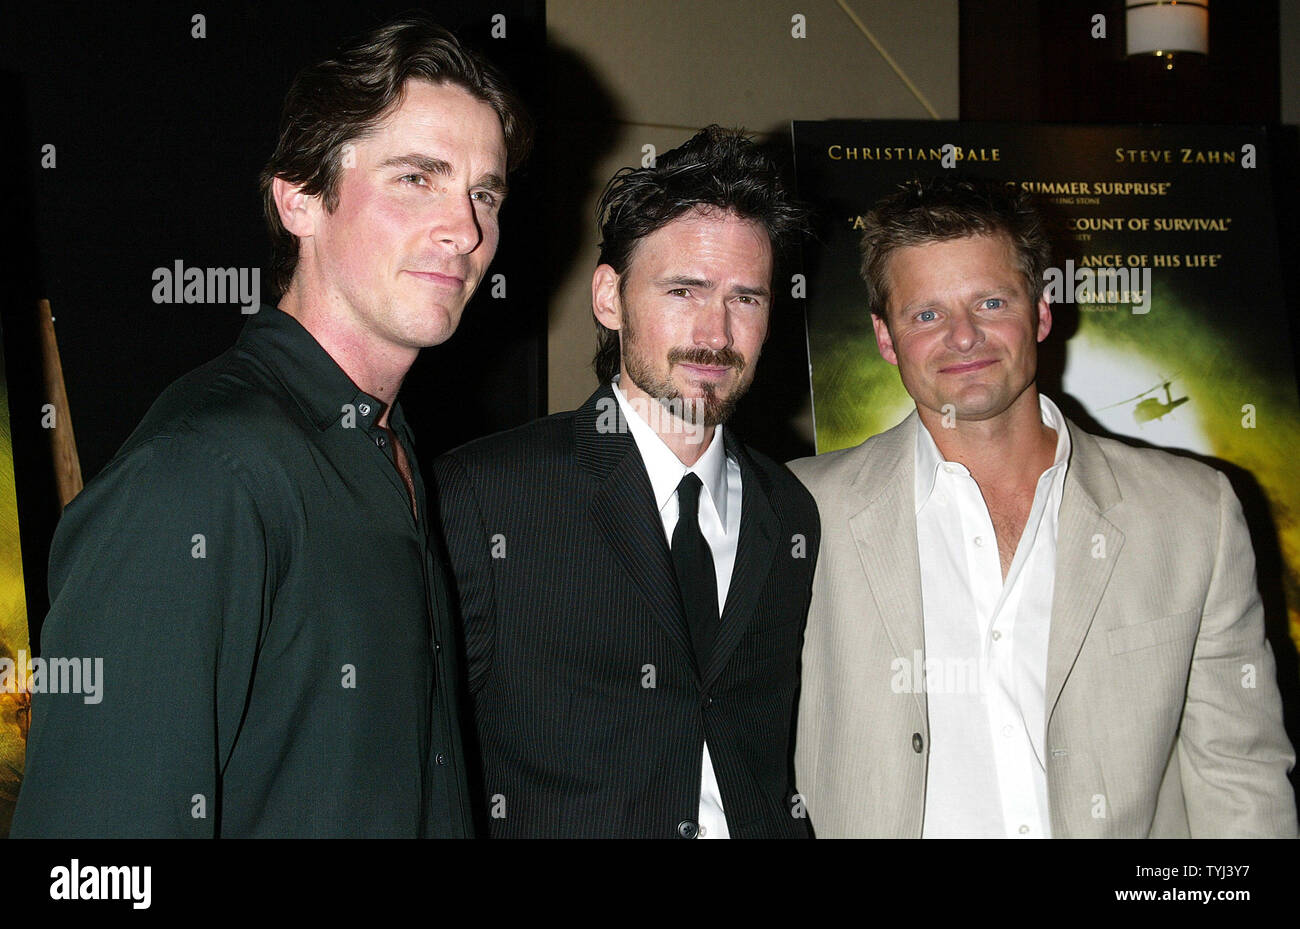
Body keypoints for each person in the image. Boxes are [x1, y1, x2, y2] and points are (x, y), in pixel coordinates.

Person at [12, 14, 530, 838]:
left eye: (484, 193)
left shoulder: (386, 447)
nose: (464, 230)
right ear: (299, 199)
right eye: (415, 178)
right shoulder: (204, 471)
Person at [790, 176, 1297, 838]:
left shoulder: (1191, 514)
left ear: (1042, 310)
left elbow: (1239, 774)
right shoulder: (799, 513)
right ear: (886, 339)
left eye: (991, 301)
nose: (963, 336)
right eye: (927, 314)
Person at [434, 127, 819, 838]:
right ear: (610, 298)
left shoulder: (790, 509)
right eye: (685, 290)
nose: (717, 331)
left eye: (747, 298)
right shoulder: (489, 496)